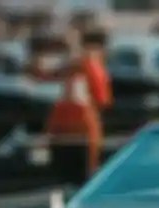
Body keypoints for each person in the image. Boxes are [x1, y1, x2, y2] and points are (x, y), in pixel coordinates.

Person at [45, 26, 112, 186]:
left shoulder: (85, 68)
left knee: (77, 179)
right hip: (69, 133)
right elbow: (102, 99)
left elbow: (101, 99)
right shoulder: (74, 69)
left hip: (79, 134)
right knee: (70, 180)